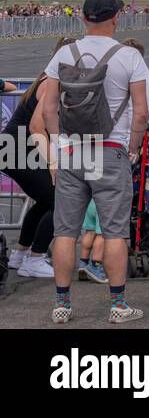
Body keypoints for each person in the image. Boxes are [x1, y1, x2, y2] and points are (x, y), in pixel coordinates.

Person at [36, 0, 149, 324]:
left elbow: (48, 108)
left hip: (72, 152)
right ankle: (117, 305)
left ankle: (61, 304)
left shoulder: (63, 53)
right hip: (111, 151)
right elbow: (140, 112)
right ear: (115, 17)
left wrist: (58, 144)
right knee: (115, 232)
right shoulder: (129, 56)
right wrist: (133, 146)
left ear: (83, 18)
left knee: (66, 231)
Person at [1, 38, 73, 280]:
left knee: (45, 201)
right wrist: (53, 163)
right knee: (63, 200)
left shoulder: (46, 78)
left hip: (16, 150)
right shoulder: (54, 82)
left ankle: (21, 253)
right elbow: (36, 127)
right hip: (17, 150)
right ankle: (35, 257)